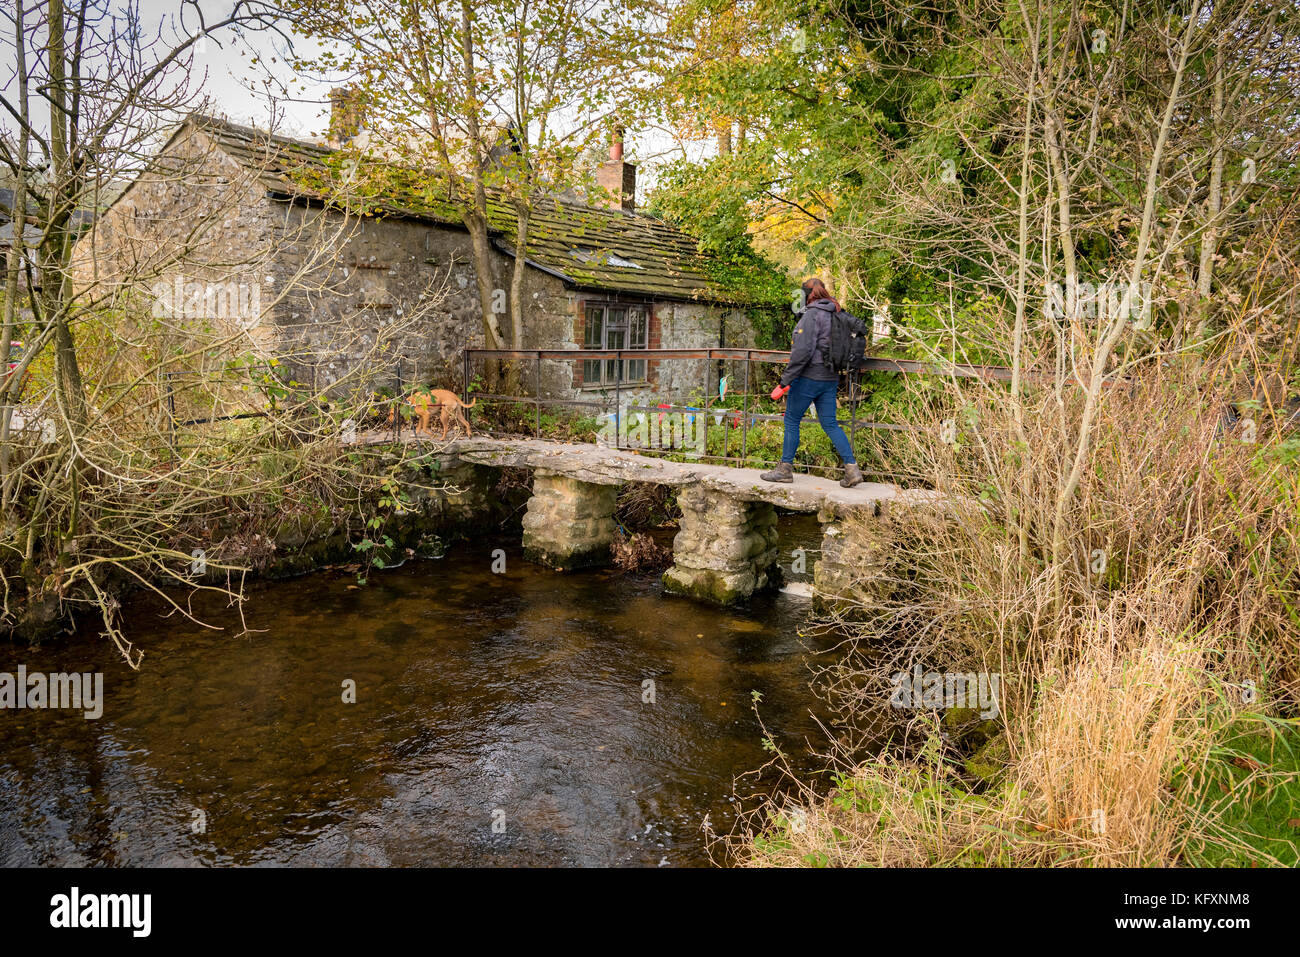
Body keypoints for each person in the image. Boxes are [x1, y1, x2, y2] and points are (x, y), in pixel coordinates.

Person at [761, 278, 866, 488]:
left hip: (808, 377)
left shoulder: (811, 316)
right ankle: (852, 469)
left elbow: (802, 352)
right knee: (830, 424)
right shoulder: (837, 313)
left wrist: (783, 383)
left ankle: (784, 470)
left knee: (791, 420)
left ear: (806, 294)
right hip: (830, 377)